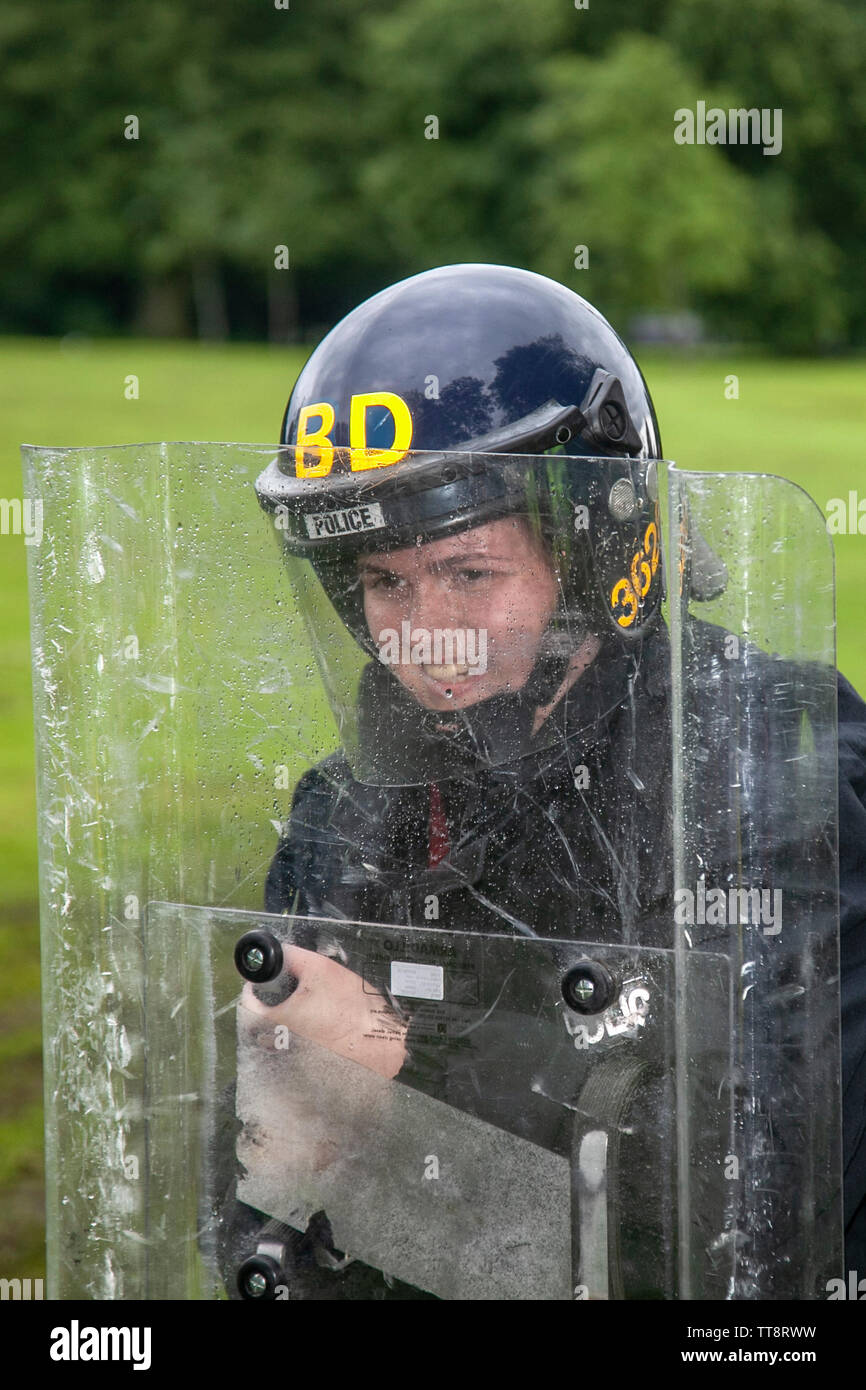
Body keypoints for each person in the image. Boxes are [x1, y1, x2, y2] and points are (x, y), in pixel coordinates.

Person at [223, 264, 865, 1300]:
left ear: (598, 547)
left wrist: (384, 1102)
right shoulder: (347, 811)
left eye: (468, 573)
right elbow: (256, 1229)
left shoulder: (763, 763)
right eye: (383, 581)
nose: (420, 631)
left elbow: (750, 1230)